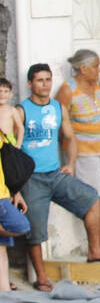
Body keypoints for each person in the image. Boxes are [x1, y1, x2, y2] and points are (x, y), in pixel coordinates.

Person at [15, 63, 100, 290]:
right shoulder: (21, 110)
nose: (45, 84)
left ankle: (95, 250)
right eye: (40, 80)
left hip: (55, 173)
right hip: (32, 178)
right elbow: (11, 148)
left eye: (48, 80)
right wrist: (16, 186)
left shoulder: (58, 108)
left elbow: (70, 137)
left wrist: (70, 163)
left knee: (91, 199)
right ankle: (41, 277)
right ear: (30, 83)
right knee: (35, 229)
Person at [55, 50, 100, 261]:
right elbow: (61, 126)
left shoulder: (96, 87)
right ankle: (99, 245)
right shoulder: (68, 90)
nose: (99, 70)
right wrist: (70, 155)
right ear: (83, 68)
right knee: (94, 200)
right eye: (95, 66)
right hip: (85, 153)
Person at [1, 81, 32, 292]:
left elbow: (8, 169)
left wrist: (16, 192)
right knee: (20, 226)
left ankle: (4, 292)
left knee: (2, 248)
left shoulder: (5, 137)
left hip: (4, 193)